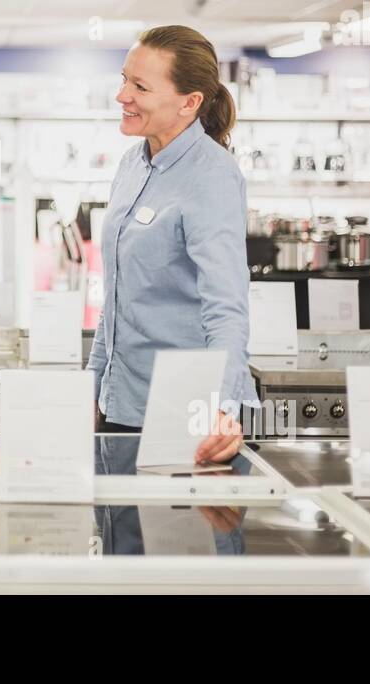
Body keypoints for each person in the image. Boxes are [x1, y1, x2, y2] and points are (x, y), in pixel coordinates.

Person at [87, 25, 257, 464]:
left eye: (140, 86)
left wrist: (223, 409)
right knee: (116, 532)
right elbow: (118, 293)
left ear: (190, 102)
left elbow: (227, 305)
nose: (122, 95)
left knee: (180, 532)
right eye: (124, 79)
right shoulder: (132, 164)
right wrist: (93, 387)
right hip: (121, 406)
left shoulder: (212, 176)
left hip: (185, 418)